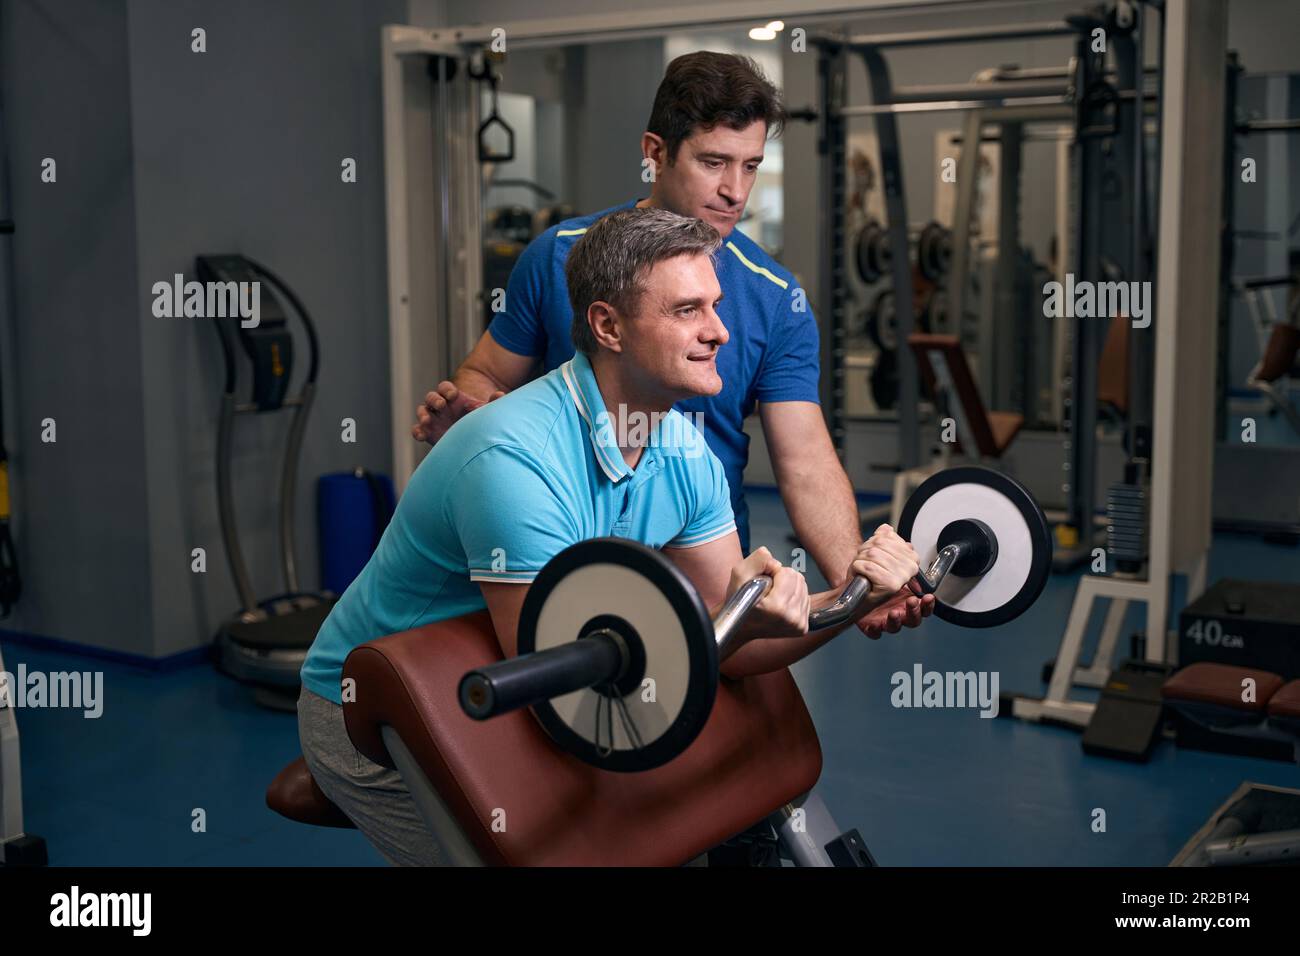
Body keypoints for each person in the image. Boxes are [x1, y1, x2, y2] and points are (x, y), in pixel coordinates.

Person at [299, 208, 932, 865]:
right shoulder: (512, 461)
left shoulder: (684, 451)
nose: (720, 332)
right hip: (375, 713)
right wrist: (733, 624)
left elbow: (734, 651)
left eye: (716, 307)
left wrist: (853, 597)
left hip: (509, 676)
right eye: (688, 310)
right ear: (607, 326)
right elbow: (566, 701)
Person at [412, 51, 920, 639]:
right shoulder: (561, 257)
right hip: (571, 547)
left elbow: (804, 460)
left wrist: (858, 583)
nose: (735, 192)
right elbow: (488, 375)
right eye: (714, 162)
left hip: (703, 553)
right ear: (654, 153)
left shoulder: (777, 298)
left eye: (751, 166)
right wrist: (472, 416)